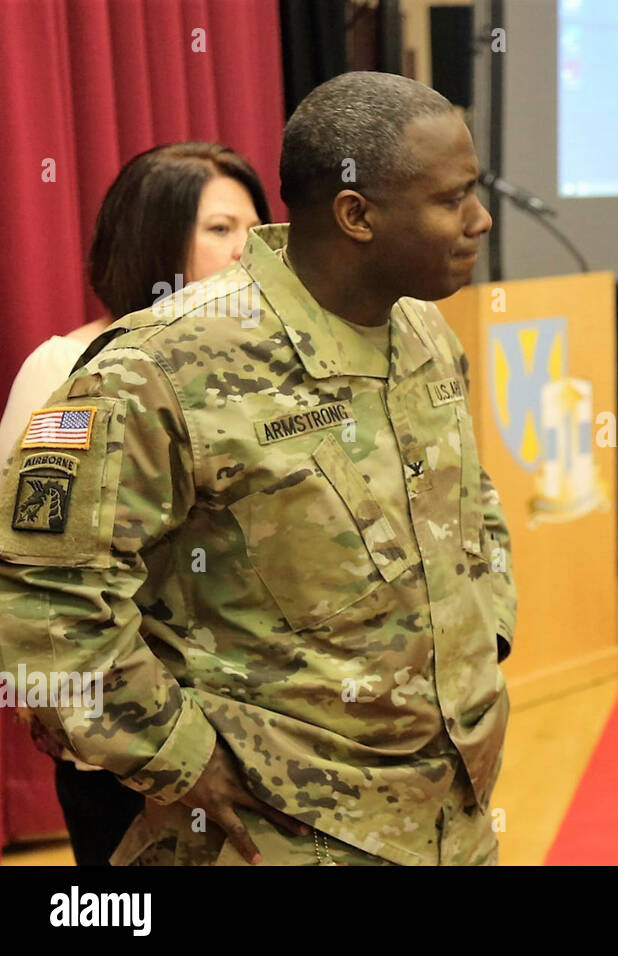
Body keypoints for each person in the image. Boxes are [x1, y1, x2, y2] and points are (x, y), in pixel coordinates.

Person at [0, 71, 515, 866]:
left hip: (454, 813)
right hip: (271, 834)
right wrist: (175, 754)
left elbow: (469, 499)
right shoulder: (156, 368)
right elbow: (40, 601)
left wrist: (490, 630)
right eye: (453, 199)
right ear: (356, 215)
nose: (480, 219)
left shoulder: (421, 333)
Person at [0, 141, 269, 866]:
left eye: (257, 226)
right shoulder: (69, 369)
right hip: (133, 749)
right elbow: (37, 578)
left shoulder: (273, 372)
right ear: (157, 237)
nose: (252, 249)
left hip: (270, 736)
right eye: (221, 229)